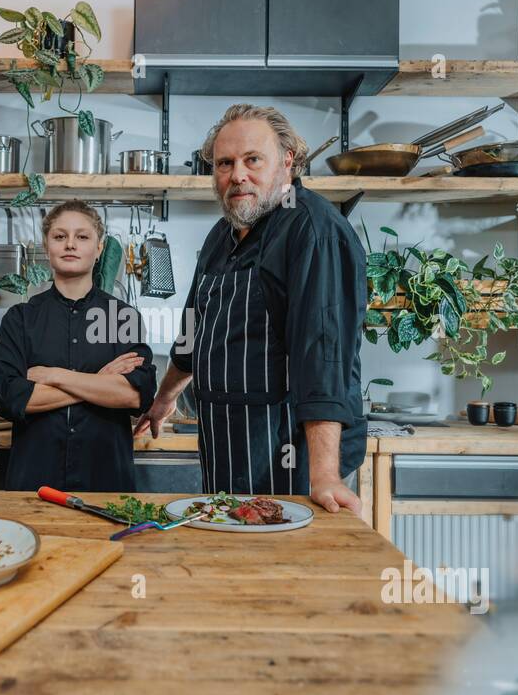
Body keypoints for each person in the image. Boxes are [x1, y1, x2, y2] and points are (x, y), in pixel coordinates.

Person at [134, 104, 367, 514]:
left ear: (287, 160)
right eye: (224, 163)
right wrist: (163, 398)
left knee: (284, 573)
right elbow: (192, 332)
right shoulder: (220, 236)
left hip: (290, 455)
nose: (237, 174)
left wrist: (325, 475)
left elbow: (323, 356)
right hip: (226, 449)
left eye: (252, 159)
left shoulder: (313, 229)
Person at [0, 201, 157, 491]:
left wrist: (54, 376)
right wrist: (101, 383)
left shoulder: (122, 317)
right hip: (34, 482)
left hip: (106, 481)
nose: (70, 244)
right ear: (47, 246)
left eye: (82, 237)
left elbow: (134, 395)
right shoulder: (20, 319)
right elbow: (12, 399)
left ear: (99, 248)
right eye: (59, 236)